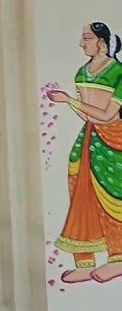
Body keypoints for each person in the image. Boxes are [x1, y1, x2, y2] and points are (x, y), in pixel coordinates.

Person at [49, 22, 122, 284]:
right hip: (89, 140)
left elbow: (105, 116)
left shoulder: (119, 74)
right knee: (83, 196)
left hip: (115, 141)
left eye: (87, 38)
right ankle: (85, 260)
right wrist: (72, 102)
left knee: (113, 197)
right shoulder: (82, 73)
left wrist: (69, 100)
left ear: (101, 42)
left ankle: (118, 258)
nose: (82, 44)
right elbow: (87, 115)